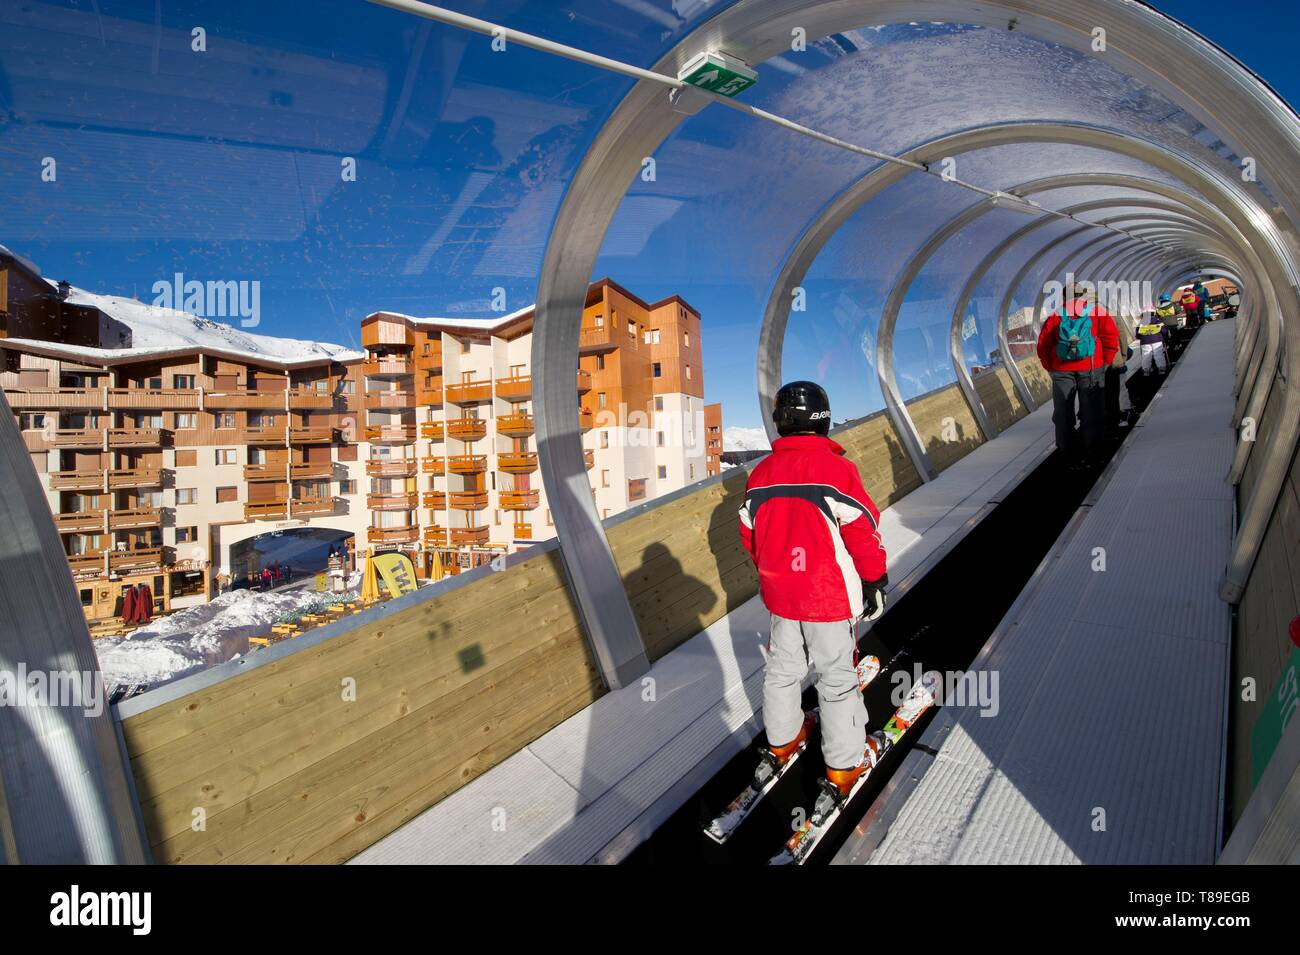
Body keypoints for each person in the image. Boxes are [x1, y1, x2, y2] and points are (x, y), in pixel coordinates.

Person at [739, 381, 889, 803]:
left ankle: (783, 740)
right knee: (837, 678)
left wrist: (777, 573)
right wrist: (875, 579)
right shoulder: (836, 470)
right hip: (827, 596)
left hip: (782, 596)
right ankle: (845, 764)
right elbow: (863, 532)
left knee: (783, 669)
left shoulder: (760, 474)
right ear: (823, 419)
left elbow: (750, 536)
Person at [1037, 283, 1120, 470]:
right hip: (1092, 367)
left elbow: (1043, 345)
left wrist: (1050, 367)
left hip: (1061, 369)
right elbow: (1110, 337)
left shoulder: (1056, 315)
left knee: (1063, 412)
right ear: (1084, 295)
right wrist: (1105, 362)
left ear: (1064, 297)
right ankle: (1094, 453)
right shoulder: (1097, 311)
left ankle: (1067, 453)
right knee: (1093, 411)